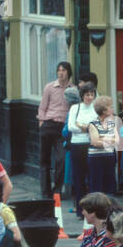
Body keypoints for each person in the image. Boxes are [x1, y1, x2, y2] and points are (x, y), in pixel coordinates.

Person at [37, 61, 72, 198]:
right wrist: (42, 122)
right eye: (59, 70)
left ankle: (57, 189)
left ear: (69, 72)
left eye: (63, 70)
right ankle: (45, 192)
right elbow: (42, 107)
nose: (61, 73)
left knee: (61, 159)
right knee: (44, 160)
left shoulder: (72, 90)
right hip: (48, 124)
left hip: (62, 128)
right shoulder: (49, 87)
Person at [66, 81, 98, 217]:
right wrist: (88, 128)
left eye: (92, 94)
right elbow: (70, 127)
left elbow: (97, 126)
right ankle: (80, 210)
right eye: (87, 95)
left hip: (91, 145)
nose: (89, 97)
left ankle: (92, 210)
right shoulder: (75, 108)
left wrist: (83, 126)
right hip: (77, 145)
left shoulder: (96, 108)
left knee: (91, 178)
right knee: (78, 178)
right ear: (82, 95)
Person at [87, 95, 119, 195]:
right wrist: (110, 140)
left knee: (110, 184)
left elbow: (117, 141)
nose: (112, 109)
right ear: (104, 111)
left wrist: (102, 139)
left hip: (109, 157)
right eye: (110, 107)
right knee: (96, 185)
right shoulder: (93, 124)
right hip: (96, 158)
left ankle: (109, 207)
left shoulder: (112, 123)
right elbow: (95, 142)